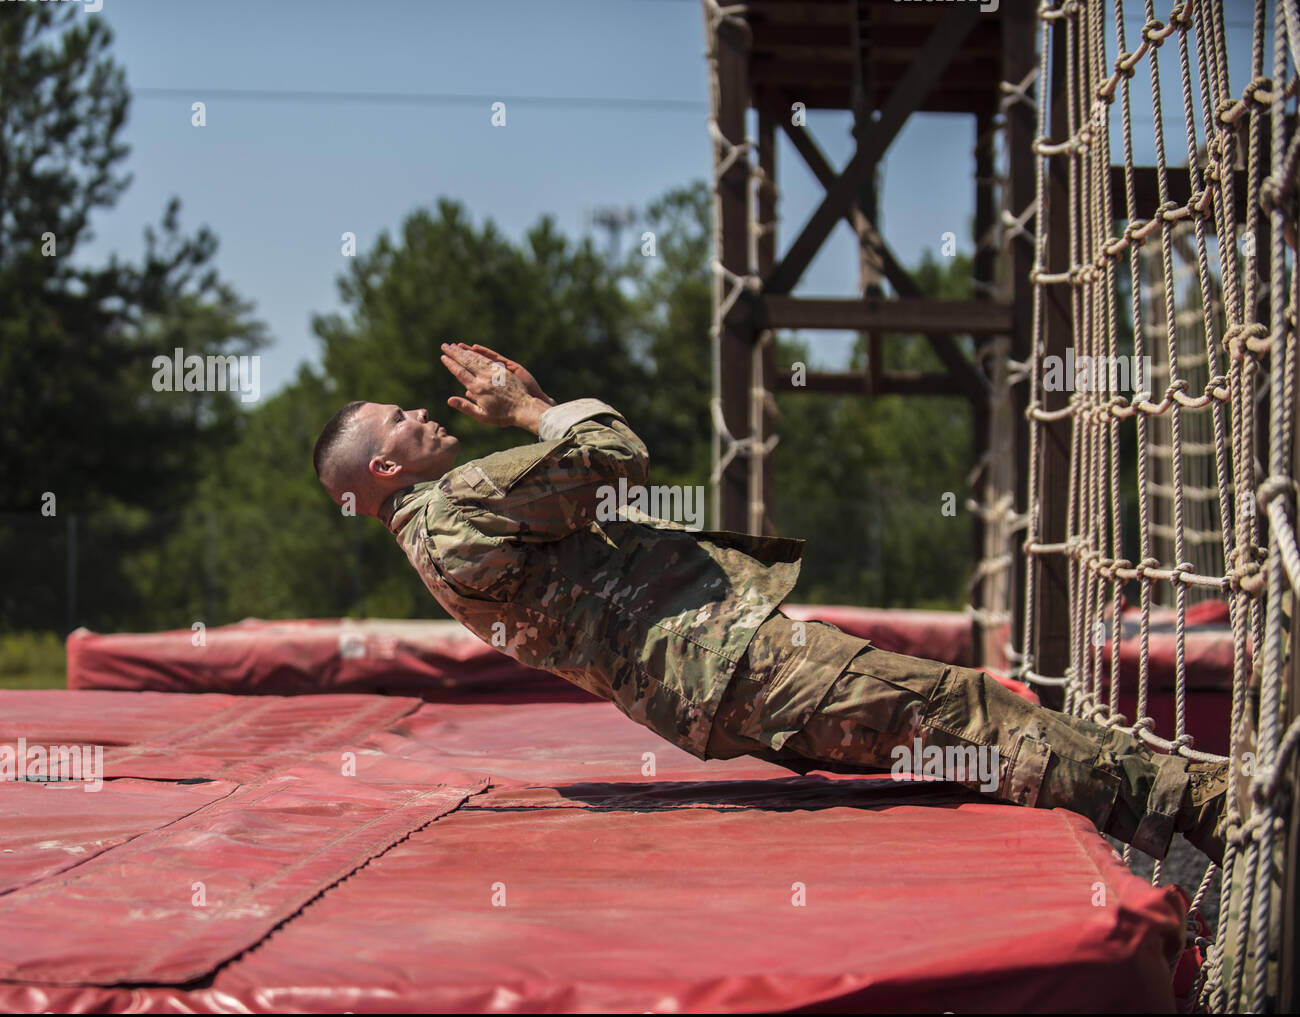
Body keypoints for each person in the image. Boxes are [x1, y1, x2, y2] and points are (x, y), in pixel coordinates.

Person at [312, 342, 1230, 866]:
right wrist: (529, 408)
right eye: (400, 419)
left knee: (952, 735)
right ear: (384, 468)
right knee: (964, 716)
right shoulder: (462, 504)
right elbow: (616, 455)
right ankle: (1207, 807)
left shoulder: (431, 539)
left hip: (713, 691)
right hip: (736, 666)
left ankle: (1172, 803)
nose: (424, 415)